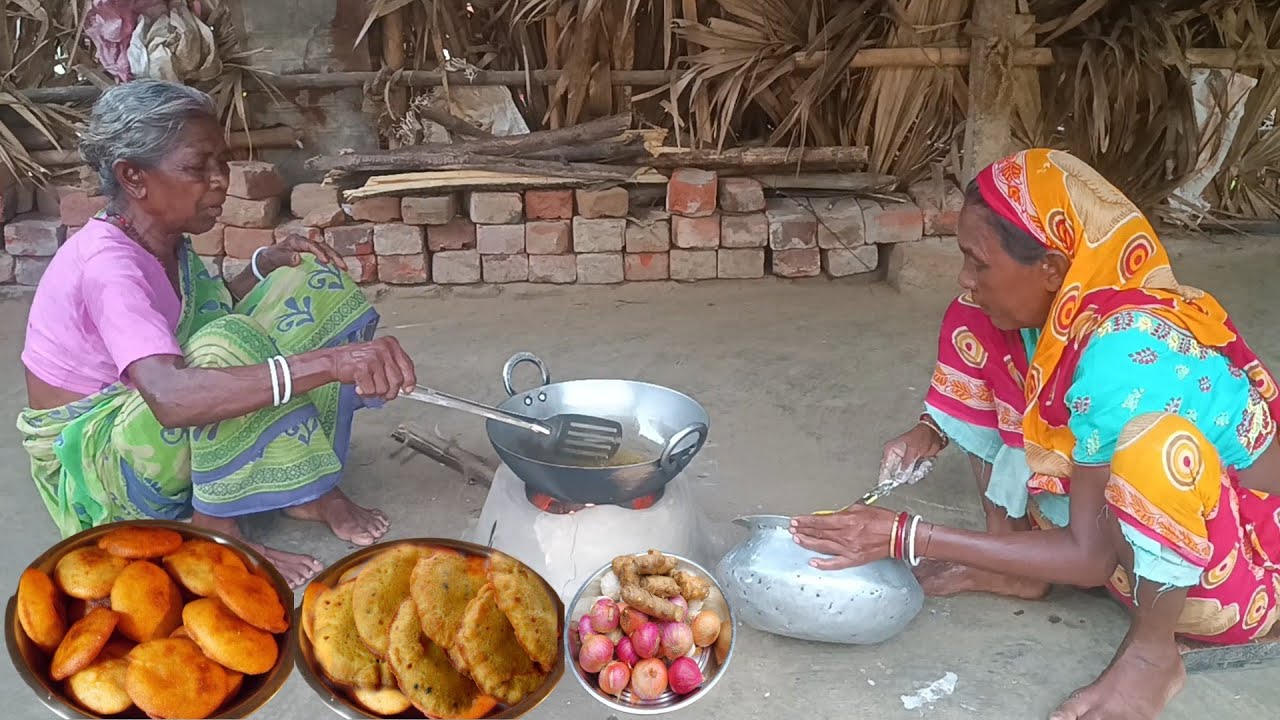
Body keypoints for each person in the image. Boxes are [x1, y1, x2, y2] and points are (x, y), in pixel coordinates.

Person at [791, 148, 1278, 720]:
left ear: (1051, 268)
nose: (964, 278)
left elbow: (1091, 557)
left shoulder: (1125, 352)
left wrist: (908, 534)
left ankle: (1152, 655)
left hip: (1234, 574)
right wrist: (932, 429)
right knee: (977, 322)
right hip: (1128, 547)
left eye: (980, 263)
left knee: (1154, 447)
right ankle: (1010, 562)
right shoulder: (1061, 316)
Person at [17, 80, 417, 587]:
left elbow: (200, 311)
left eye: (221, 162)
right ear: (133, 178)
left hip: (146, 408)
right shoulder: (107, 265)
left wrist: (265, 265)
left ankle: (302, 488)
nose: (219, 180)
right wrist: (334, 365)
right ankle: (215, 531)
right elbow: (170, 395)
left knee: (312, 285)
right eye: (196, 167)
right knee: (226, 344)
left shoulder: (162, 238)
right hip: (100, 467)